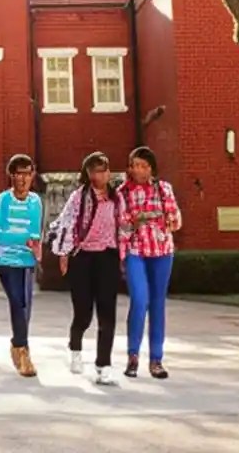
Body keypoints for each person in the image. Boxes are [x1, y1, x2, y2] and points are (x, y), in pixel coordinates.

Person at [49, 151, 125, 386]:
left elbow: (124, 227)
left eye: (103, 170)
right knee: (83, 313)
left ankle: (103, 364)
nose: (99, 175)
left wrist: (124, 255)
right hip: (82, 259)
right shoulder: (79, 197)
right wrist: (63, 254)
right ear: (88, 173)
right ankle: (75, 348)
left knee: (107, 314)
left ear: (108, 172)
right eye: (94, 170)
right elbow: (66, 224)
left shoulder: (116, 198)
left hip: (107, 258)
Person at [121, 146, 182, 379]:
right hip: (136, 251)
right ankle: (133, 356)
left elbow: (175, 220)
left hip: (162, 251)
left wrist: (166, 218)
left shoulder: (163, 189)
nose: (139, 170)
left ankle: (156, 360)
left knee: (157, 304)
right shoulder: (124, 192)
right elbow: (124, 224)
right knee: (140, 300)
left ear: (151, 168)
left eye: (144, 166)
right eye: (135, 165)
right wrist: (143, 219)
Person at [0, 154, 43, 377]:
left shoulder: (35, 201)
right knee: (16, 301)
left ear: (32, 176)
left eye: (26, 174)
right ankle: (22, 351)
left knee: (24, 307)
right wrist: (22, 239)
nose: (22, 179)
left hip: (27, 260)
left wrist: (26, 239)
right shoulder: (3, 199)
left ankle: (20, 346)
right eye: (18, 174)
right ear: (11, 176)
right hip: (6, 260)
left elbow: (34, 231)